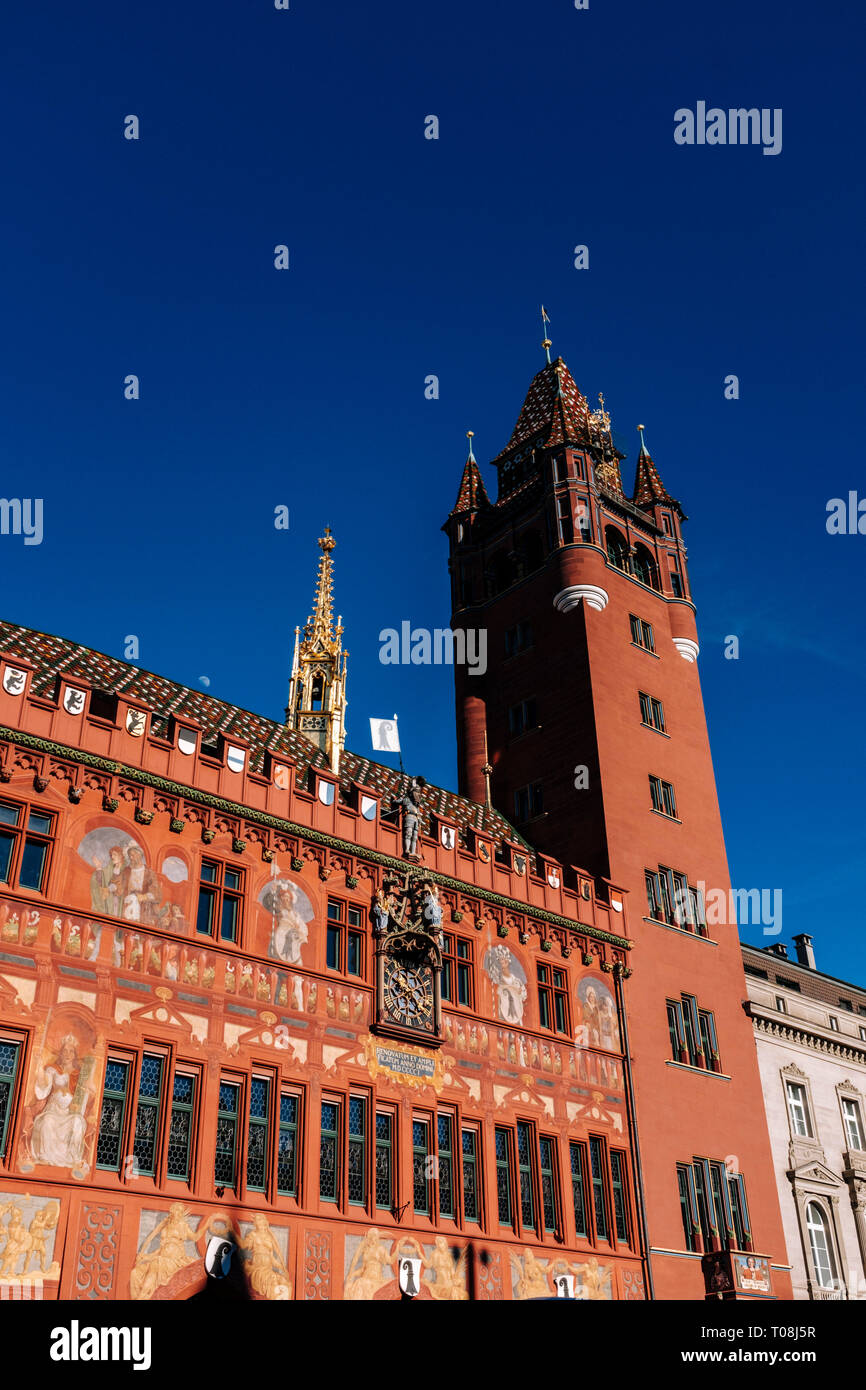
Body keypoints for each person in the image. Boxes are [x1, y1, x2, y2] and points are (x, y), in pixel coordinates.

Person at [30, 1035, 88, 1169]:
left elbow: (84, 1093)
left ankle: (72, 1158)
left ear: (74, 1055)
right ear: (61, 1053)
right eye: (65, 1050)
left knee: (77, 1122)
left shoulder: (78, 1074)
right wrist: (38, 1065)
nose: (68, 1054)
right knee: (47, 1121)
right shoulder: (53, 1069)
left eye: (71, 1051)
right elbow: (44, 1083)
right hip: (54, 1108)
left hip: (70, 1110)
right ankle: (44, 1156)